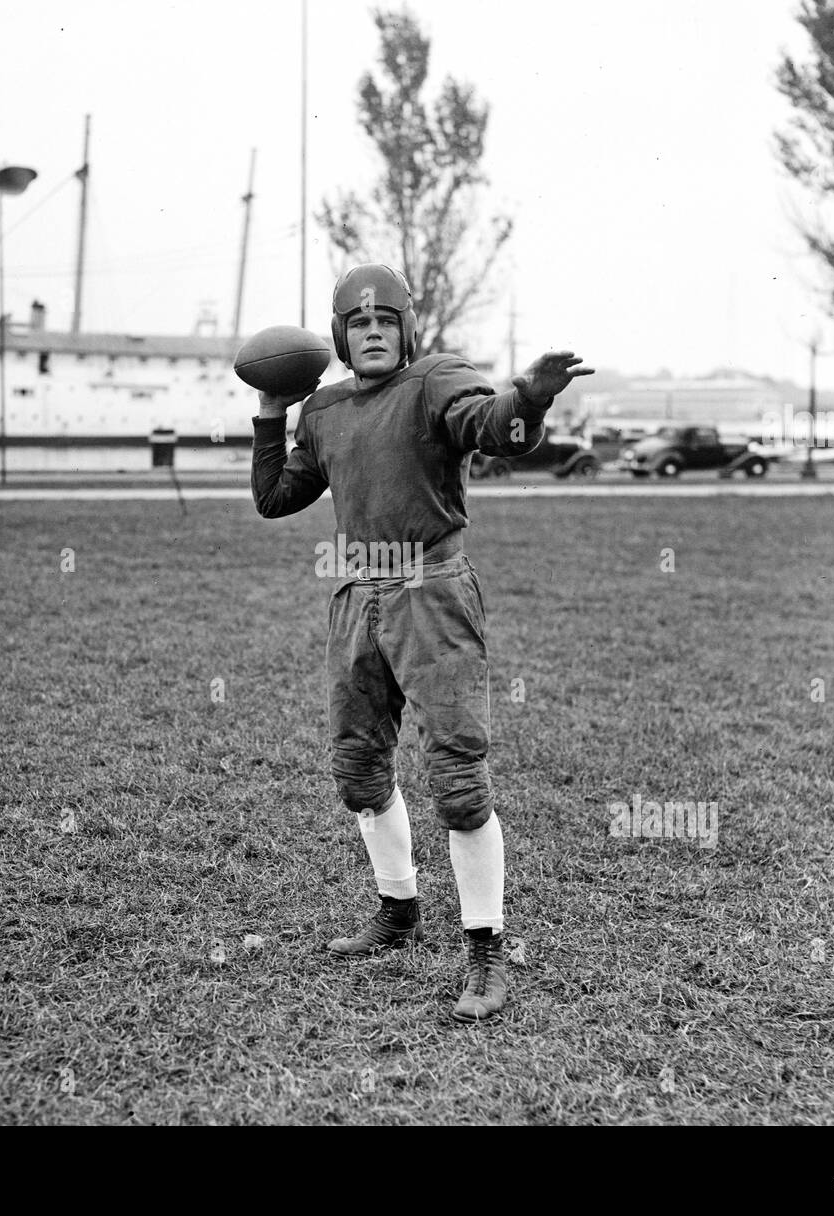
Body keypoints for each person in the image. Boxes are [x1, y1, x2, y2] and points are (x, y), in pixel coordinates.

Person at [251, 263, 592, 1022]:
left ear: (406, 329)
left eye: (384, 322)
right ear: (340, 337)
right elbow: (276, 498)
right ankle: (397, 910)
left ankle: (485, 949)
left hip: (432, 592)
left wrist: (528, 398)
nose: (372, 334)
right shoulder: (328, 407)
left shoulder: (437, 379)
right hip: (356, 593)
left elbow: (491, 426)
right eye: (357, 324)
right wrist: (272, 411)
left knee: (458, 778)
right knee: (358, 767)